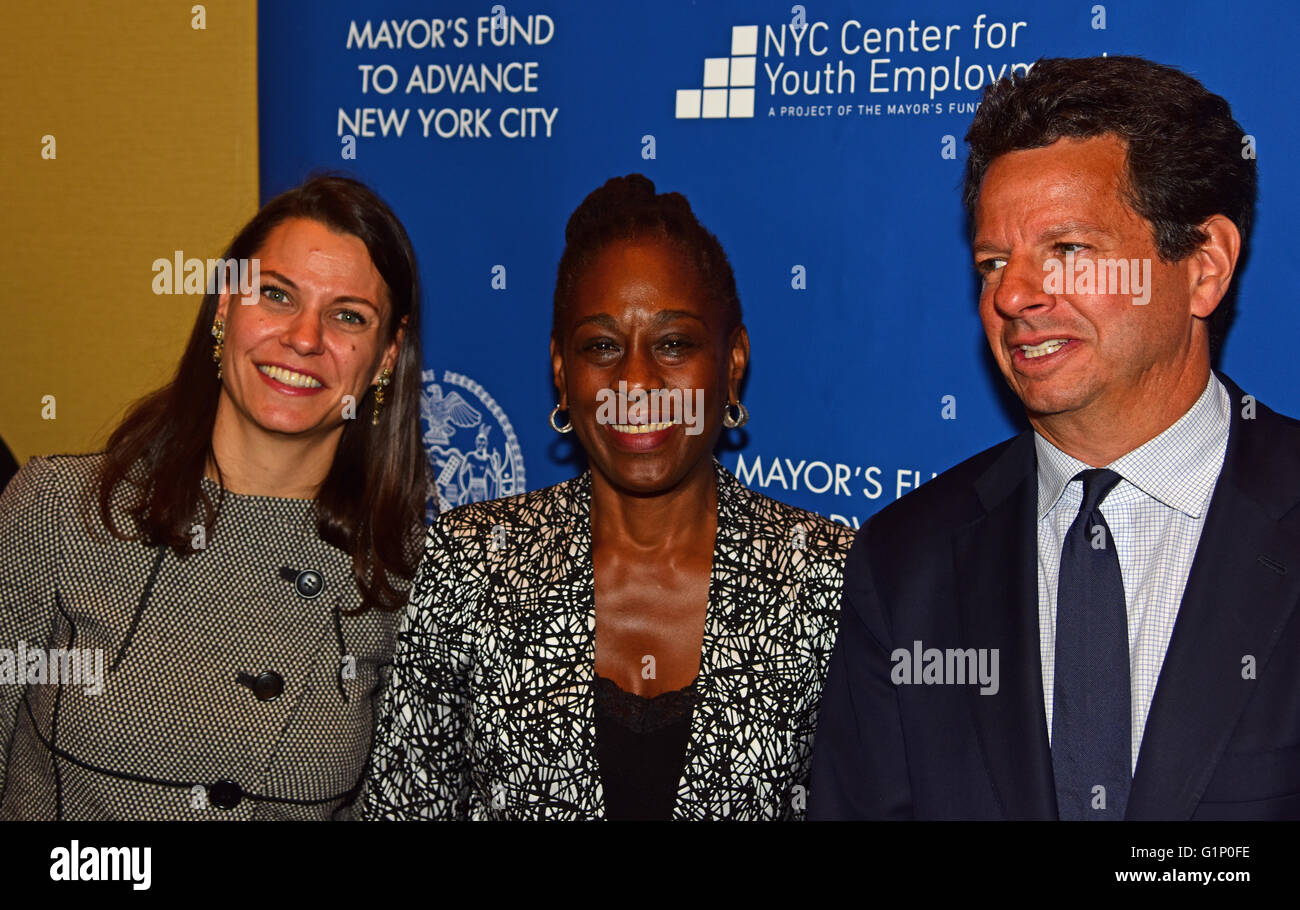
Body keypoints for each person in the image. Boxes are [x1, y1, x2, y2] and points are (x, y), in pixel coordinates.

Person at [811, 56, 1300, 821]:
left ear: (1204, 266)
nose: (1012, 294)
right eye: (994, 262)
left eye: (1068, 250)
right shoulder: (907, 563)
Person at [364, 174, 854, 820]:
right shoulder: (470, 562)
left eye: (674, 343)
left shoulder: (828, 577)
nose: (636, 382)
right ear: (562, 373)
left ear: (732, 362)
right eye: (601, 347)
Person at [0, 175, 430, 819]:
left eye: (348, 316)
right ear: (225, 307)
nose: (305, 338)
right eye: (277, 295)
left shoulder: (405, 570)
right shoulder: (58, 510)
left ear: (388, 355)